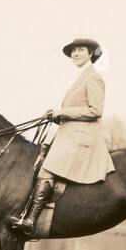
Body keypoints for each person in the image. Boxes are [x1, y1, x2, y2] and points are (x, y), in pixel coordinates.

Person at [14, 37, 117, 236]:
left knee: (47, 169)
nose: (75, 54)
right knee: (40, 157)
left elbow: (95, 110)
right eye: (73, 51)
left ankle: (30, 221)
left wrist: (63, 112)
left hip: (82, 137)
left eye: (80, 50)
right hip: (70, 133)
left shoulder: (93, 77)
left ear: (90, 54)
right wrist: (56, 115)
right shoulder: (82, 77)